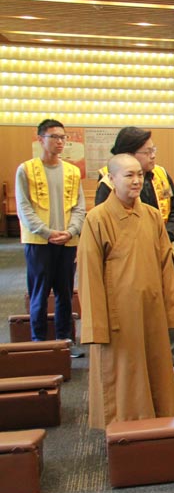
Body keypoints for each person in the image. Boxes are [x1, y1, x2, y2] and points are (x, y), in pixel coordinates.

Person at [79, 154, 174, 429]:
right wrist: (96, 325)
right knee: (124, 373)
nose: (137, 180)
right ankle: (124, 431)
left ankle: (159, 424)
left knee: (156, 367)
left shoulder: (151, 215)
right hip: (118, 314)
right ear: (111, 179)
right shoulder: (97, 218)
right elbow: (89, 275)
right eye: (129, 175)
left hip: (151, 308)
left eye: (140, 174)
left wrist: (171, 310)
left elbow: (166, 265)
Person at [15, 119, 86, 352]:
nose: (60, 142)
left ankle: (65, 341)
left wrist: (71, 231)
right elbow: (24, 208)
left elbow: (79, 207)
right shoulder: (26, 169)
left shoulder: (72, 171)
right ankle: (39, 342)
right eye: (54, 137)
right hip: (39, 242)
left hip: (67, 241)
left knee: (65, 293)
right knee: (40, 293)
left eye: (63, 137)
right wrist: (47, 232)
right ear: (40, 139)